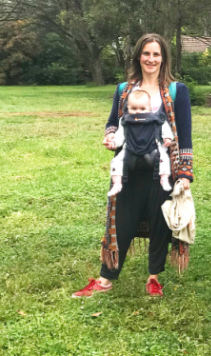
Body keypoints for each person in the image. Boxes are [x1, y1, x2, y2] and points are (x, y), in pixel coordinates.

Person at [73, 33, 193, 299]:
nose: (151, 59)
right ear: (139, 56)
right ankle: (105, 279)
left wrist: (184, 173)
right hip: (127, 170)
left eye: (156, 54)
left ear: (164, 58)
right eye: (146, 53)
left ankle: (153, 278)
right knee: (119, 222)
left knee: (160, 222)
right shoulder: (123, 90)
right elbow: (113, 122)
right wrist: (108, 135)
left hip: (161, 170)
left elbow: (184, 134)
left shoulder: (176, 91)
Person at [108, 89, 174, 197]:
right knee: (116, 161)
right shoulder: (125, 121)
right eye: (134, 108)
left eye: (142, 109)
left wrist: (167, 138)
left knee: (164, 158)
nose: (138, 111)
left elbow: (165, 129)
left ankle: (164, 178)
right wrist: (114, 143)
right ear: (128, 108)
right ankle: (117, 183)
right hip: (129, 149)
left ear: (150, 108)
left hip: (152, 148)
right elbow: (120, 136)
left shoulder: (156, 119)